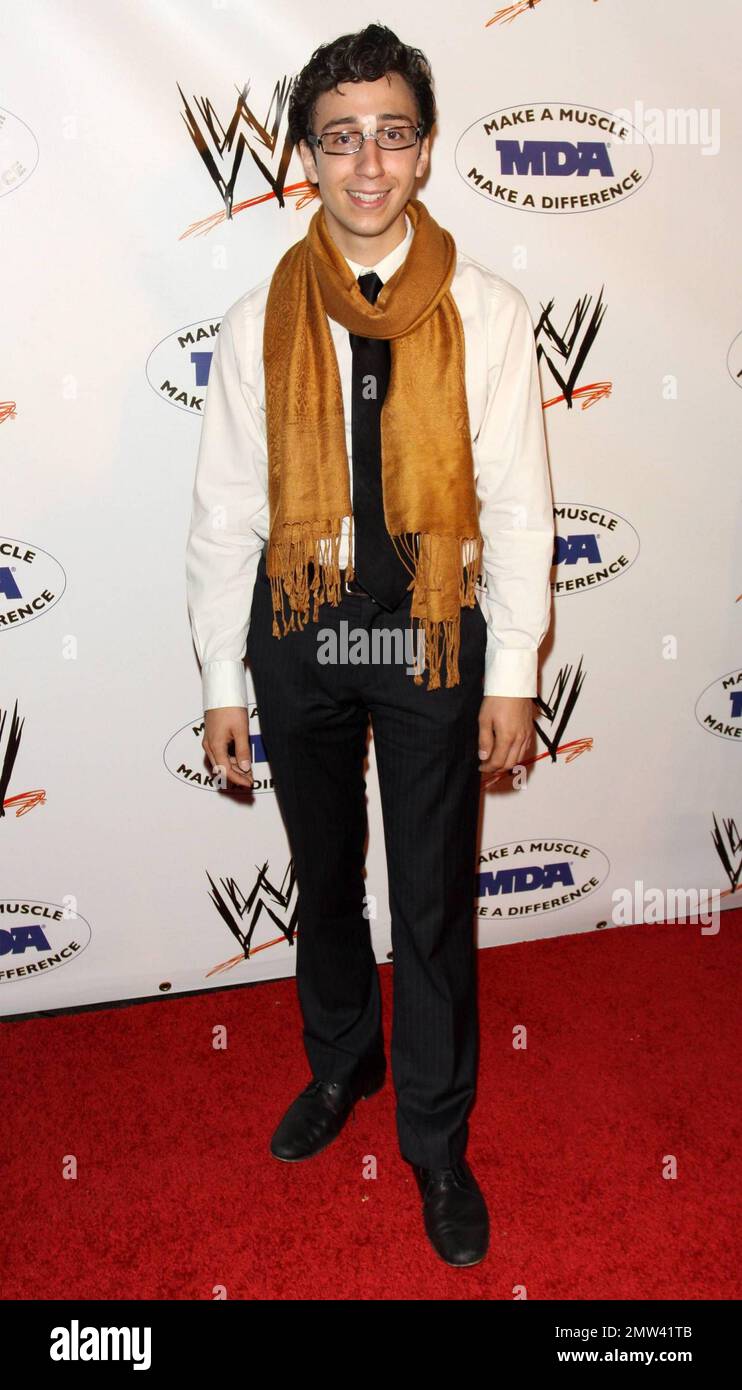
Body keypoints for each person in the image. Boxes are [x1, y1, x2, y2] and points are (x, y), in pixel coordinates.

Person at [185, 23, 554, 1268]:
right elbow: (228, 503)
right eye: (340, 138)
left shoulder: (489, 312)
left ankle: (437, 1141)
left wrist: (513, 671)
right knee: (327, 880)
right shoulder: (257, 319)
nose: (366, 164)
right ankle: (342, 1068)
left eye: (391, 134)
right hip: (297, 635)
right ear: (306, 157)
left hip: (431, 640)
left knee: (435, 898)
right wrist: (218, 680)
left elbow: (514, 503)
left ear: (426, 150)